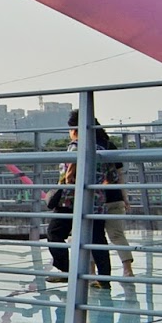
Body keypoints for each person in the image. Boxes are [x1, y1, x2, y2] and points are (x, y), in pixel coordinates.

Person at [46, 110, 114, 287]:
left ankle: (66, 270)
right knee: (97, 239)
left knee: (54, 233)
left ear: (75, 129)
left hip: (70, 201)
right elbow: (111, 177)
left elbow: (69, 174)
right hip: (96, 202)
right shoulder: (102, 149)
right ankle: (104, 278)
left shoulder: (75, 146)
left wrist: (68, 179)